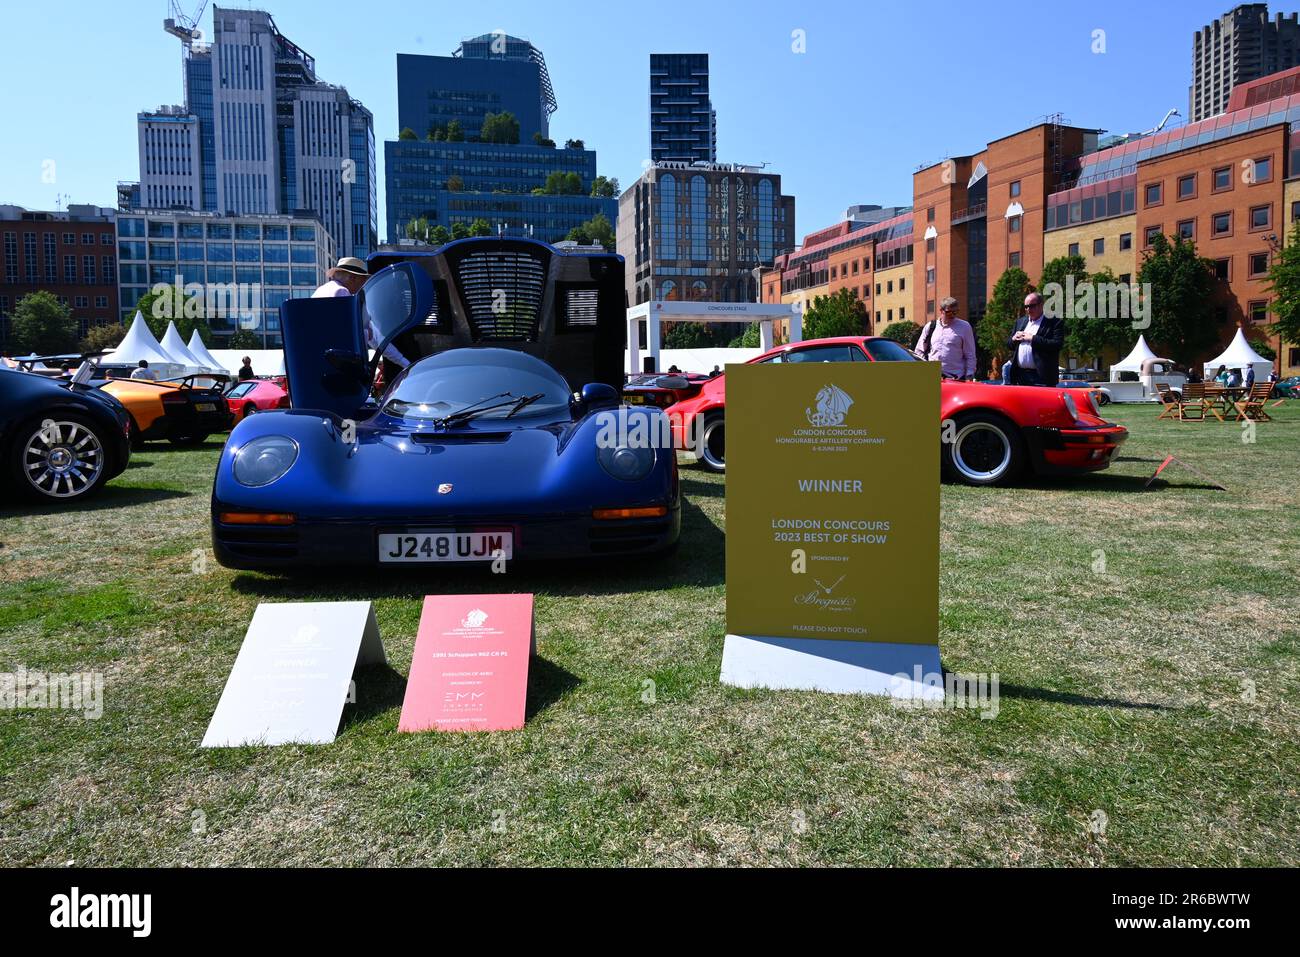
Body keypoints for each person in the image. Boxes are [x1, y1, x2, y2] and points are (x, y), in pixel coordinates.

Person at [1006, 292, 1065, 386]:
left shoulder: (1054, 322)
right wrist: (1013, 339)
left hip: (1041, 377)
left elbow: (1057, 344)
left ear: (1041, 305)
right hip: (1020, 376)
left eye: (1032, 306)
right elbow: (1009, 345)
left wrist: (1033, 338)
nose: (1028, 309)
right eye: (1026, 307)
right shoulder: (1020, 322)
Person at [914, 297, 977, 380]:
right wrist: (925, 369)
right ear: (941, 310)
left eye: (956, 312)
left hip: (956, 377)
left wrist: (969, 375)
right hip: (932, 377)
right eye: (949, 312)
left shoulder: (964, 327)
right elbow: (919, 351)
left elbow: (970, 354)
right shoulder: (930, 326)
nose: (953, 315)